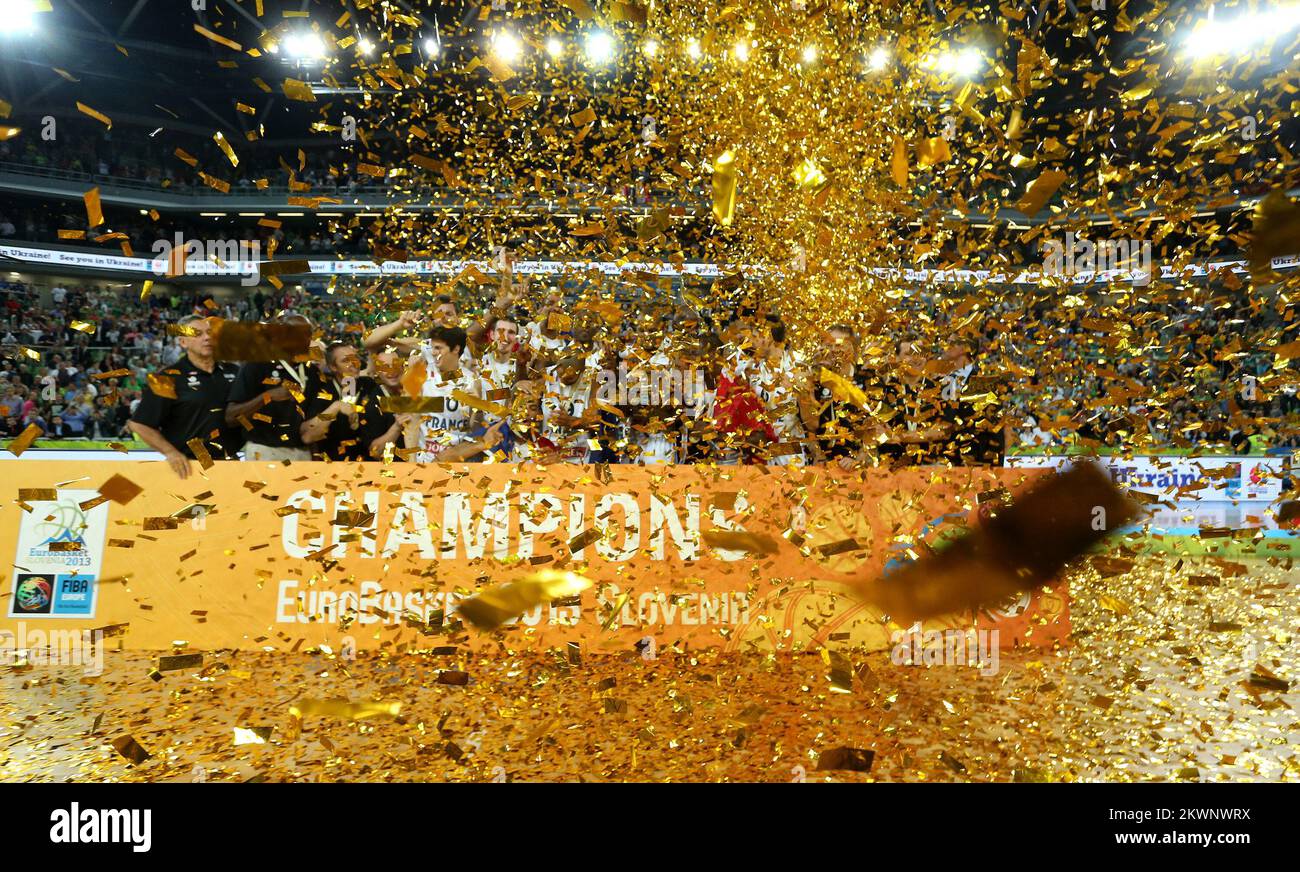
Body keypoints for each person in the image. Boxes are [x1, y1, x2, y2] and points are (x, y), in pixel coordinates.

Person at [128, 315, 242, 479]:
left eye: (209, 332)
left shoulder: (234, 371)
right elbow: (139, 424)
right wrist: (170, 452)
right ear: (183, 342)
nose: (207, 337)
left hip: (231, 464)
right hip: (190, 467)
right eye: (198, 334)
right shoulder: (165, 378)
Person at [224, 314, 318, 462]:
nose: (304, 339)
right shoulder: (256, 365)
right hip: (264, 451)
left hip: (302, 452)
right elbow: (231, 417)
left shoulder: (311, 371)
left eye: (308, 334)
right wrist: (267, 397)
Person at [405, 324, 503, 462]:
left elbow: (475, 428)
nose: (433, 352)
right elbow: (411, 423)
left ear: (456, 349)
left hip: (455, 462)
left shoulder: (472, 380)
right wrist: (411, 462)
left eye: (439, 348)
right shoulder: (421, 376)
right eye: (433, 347)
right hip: (423, 461)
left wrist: (477, 408)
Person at [301, 343, 397, 460]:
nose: (353, 363)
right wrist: (336, 407)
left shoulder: (369, 385)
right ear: (333, 367)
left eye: (355, 358)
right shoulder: (323, 393)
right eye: (346, 361)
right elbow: (308, 437)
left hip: (371, 466)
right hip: (334, 467)